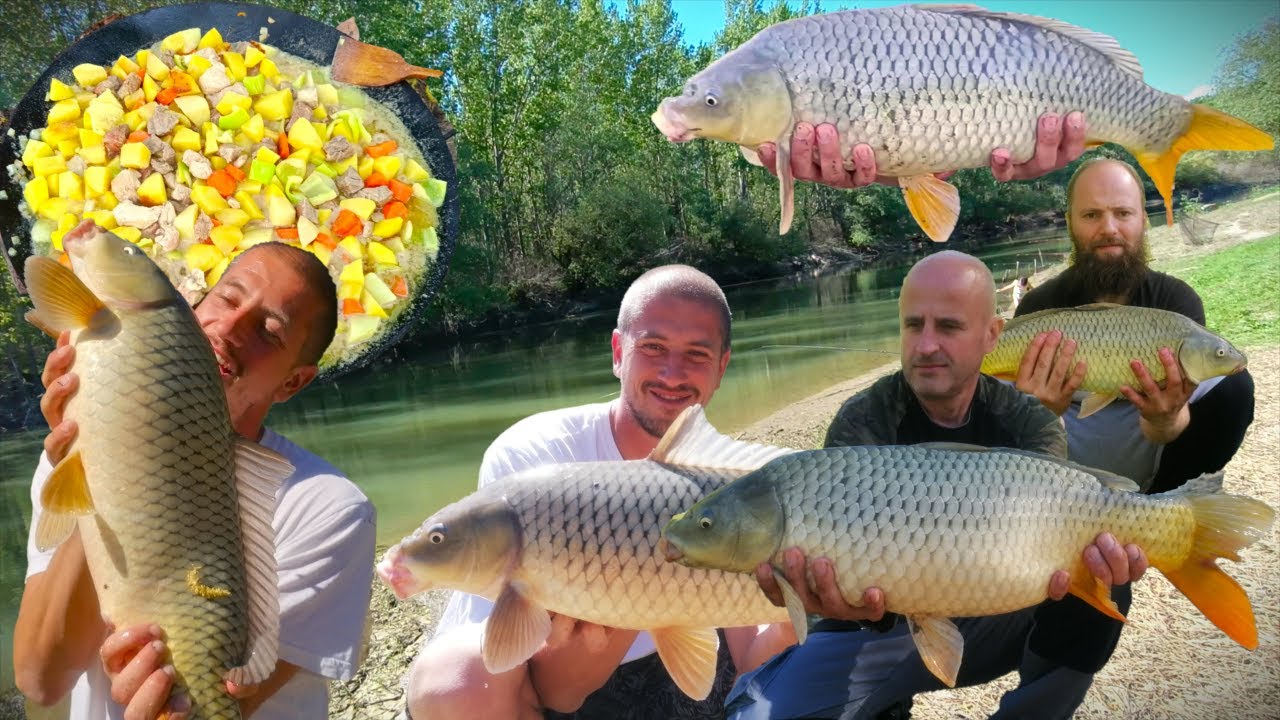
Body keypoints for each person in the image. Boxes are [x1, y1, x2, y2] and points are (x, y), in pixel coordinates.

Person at [719, 251, 1147, 720]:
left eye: (948, 326)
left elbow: (1054, 544)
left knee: (1103, 582)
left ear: (992, 336)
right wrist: (836, 602)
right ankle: (883, 706)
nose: (925, 345)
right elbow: (839, 579)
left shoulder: (1028, 421)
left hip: (995, 609)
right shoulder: (864, 420)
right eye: (913, 325)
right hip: (881, 627)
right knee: (763, 715)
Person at [402, 264, 804, 720]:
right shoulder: (538, 458)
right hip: (538, 674)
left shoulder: (730, 483)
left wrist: (799, 613)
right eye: (653, 347)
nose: (673, 374)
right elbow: (558, 692)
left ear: (721, 367)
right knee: (455, 681)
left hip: (673, 666)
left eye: (697, 354)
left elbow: (751, 657)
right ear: (617, 352)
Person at [14, 238, 377, 720]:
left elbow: (230, 695)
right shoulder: (71, 452)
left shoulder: (331, 508)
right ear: (193, 308)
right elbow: (41, 679)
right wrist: (105, 460)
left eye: (268, 331)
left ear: (293, 381)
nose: (227, 328)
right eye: (225, 299)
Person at [1006, 156, 1256, 687]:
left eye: (1122, 213)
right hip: (1067, 445)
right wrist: (1038, 415)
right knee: (1002, 410)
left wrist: (1165, 420)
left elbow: (1171, 425)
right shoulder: (1041, 307)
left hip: (1149, 437)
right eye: (1091, 215)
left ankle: (1165, 511)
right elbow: (1020, 435)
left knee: (1235, 390)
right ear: (1070, 223)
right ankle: (1070, 533)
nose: (1109, 229)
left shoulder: (1174, 303)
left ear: (1143, 219)